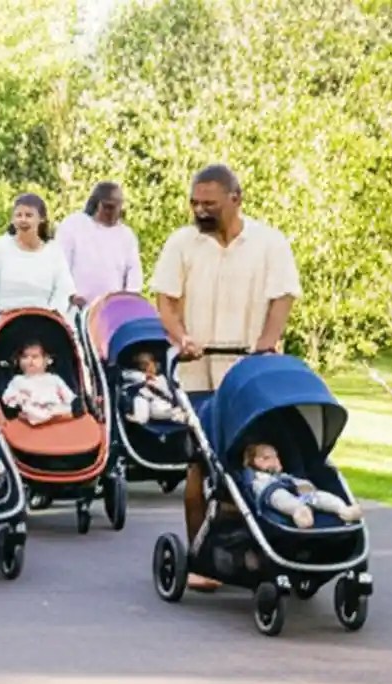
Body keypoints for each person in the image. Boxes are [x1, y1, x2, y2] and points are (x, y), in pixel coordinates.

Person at [149, 163, 302, 591]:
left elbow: (283, 296)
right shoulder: (181, 244)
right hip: (197, 370)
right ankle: (201, 557)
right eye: (194, 202)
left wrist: (268, 342)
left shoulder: (269, 243)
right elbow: (166, 302)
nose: (199, 210)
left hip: (250, 372)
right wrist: (181, 338)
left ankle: (260, 548)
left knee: (252, 458)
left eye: (209, 204)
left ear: (235, 199)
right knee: (201, 463)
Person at [0, 193, 76, 337]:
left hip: (43, 324)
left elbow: (63, 289)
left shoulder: (54, 251)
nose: (23, 220)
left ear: (41, 219)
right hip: (3, 325)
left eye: (29, 215)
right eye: (19, 215)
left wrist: (51, 318)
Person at [55, 181, 144, 308]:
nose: (112, 212)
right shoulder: (73, 224)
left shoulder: (126, 235)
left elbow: (134, 275)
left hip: (112, 312)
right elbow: (60, 264)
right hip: (76, 308)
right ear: (96, 204)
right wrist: (70, 295)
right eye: (108, 206)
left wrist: (128, 302)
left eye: (117, 207)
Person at [245, 442, 363, 528]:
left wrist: (304, 486)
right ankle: (299, 512)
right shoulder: (256, 479)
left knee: (316, 496)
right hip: (272, 493)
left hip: (298, 494)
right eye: (267, 458)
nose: (275, 460)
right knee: (280, 497)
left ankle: (343, 509)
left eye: (276, 457)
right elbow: (260, 490)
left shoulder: (284, 476)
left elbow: (296, 481)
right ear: (256, 461)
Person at [0, 340, 76, 426]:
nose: (30, 360)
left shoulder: (54, 379)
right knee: (31, 412)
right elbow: (8, 399)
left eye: (35, 357)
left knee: (65, 409)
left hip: (55, 410)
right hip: (31, 411)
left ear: (46, 359)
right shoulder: (18, 380)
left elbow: (68, 396)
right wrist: (18, 399)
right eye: (25, 357)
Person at [121, 351, 186, 425]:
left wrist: (153, 384)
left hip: (162, 404)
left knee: (155, 409)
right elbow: (126, 375)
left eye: (148, 364)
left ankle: (177, 414)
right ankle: (140, 418)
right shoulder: (137, 378)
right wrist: (144, 378)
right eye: (142, 365)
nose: (147, 368)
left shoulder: (161, 378)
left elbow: (168, 394)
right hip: (148, 405)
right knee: (141, 399)